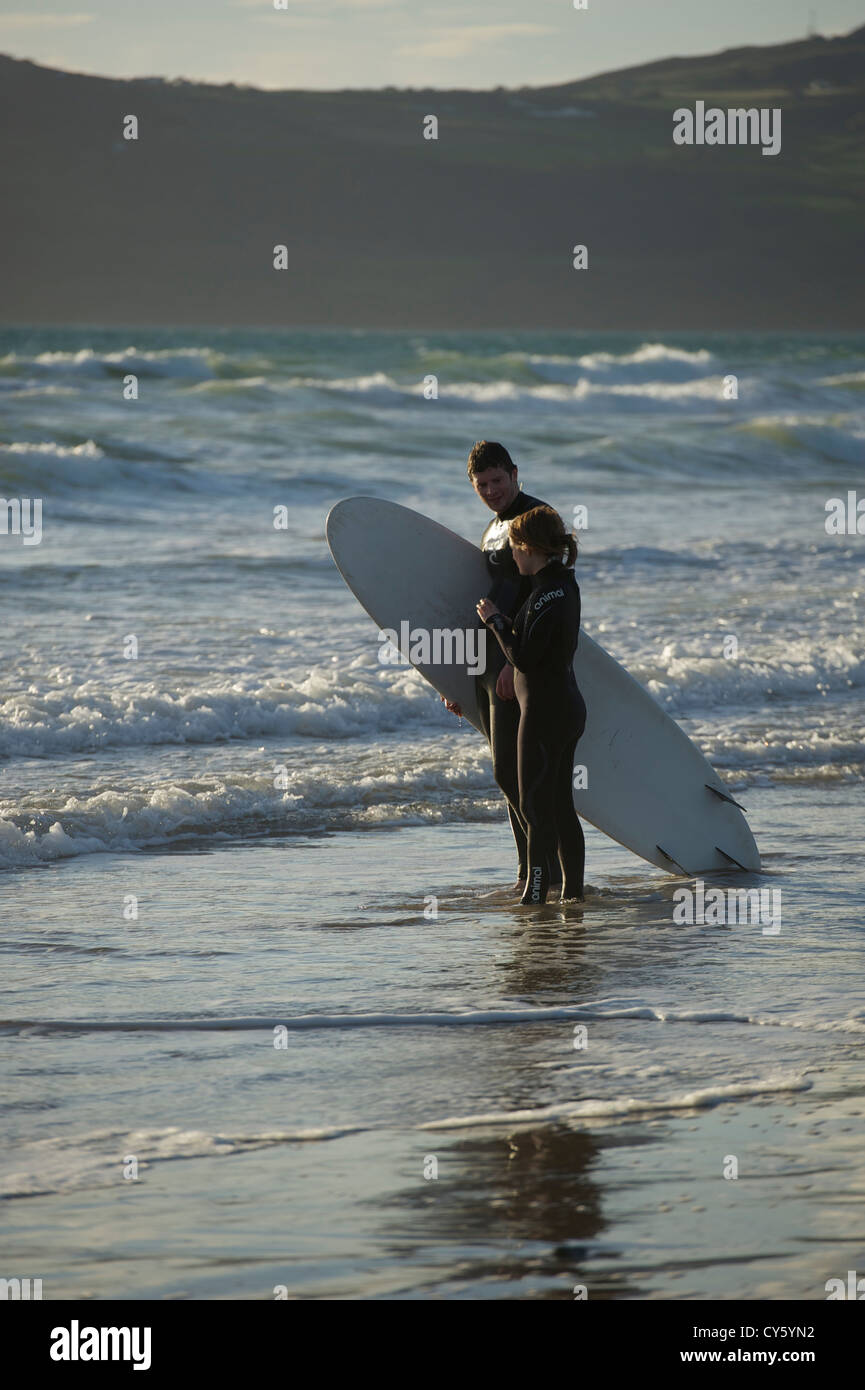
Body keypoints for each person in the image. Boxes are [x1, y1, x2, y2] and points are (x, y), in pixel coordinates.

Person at [442, 441, 553, 896]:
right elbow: (490, 599)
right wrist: (450, 677)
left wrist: (515, 661)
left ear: (514, 473)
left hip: (514, 663)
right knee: (503, 773)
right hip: (488, 660)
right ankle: (526, 871)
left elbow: (543, 594)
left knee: (516, 774)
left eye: (497, 481)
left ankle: (543, 871)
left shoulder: (534, 518)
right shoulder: (493, 527)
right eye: (481, 485)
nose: (491, 490)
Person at [477, 505, 587, 905]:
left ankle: (535, 896)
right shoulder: (564, 585)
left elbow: (522, 657)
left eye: (515, 549)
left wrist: (496, 621)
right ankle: (571, 896)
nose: (512, 557)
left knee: (534, 807)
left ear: (530, 547)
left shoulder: (545, 595)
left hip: (544, 713)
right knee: (560, 805)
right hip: (566, 707)